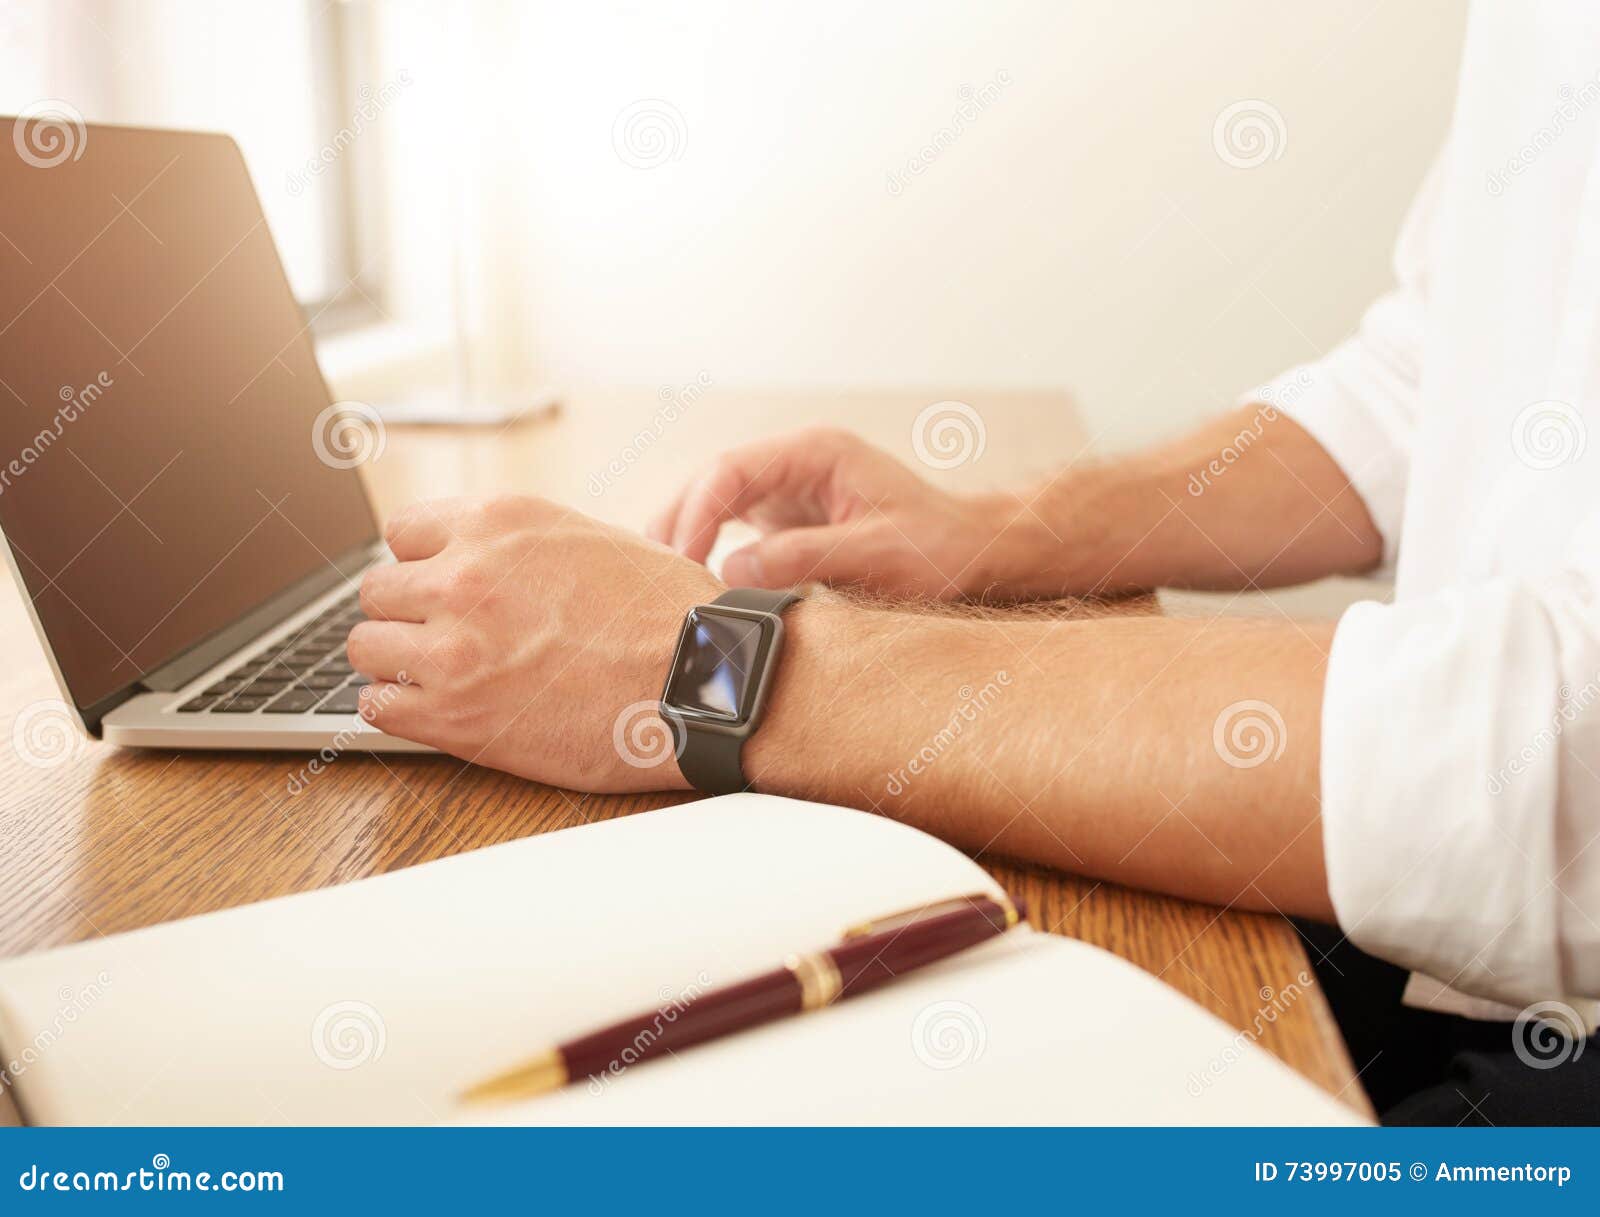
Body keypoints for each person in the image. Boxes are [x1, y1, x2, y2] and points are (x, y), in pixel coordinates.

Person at [347, 5, 1598, 1122]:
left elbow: (1561, 752)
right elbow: (1434, 370)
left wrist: (713, 664)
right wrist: (995, 533)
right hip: (1465, 928)